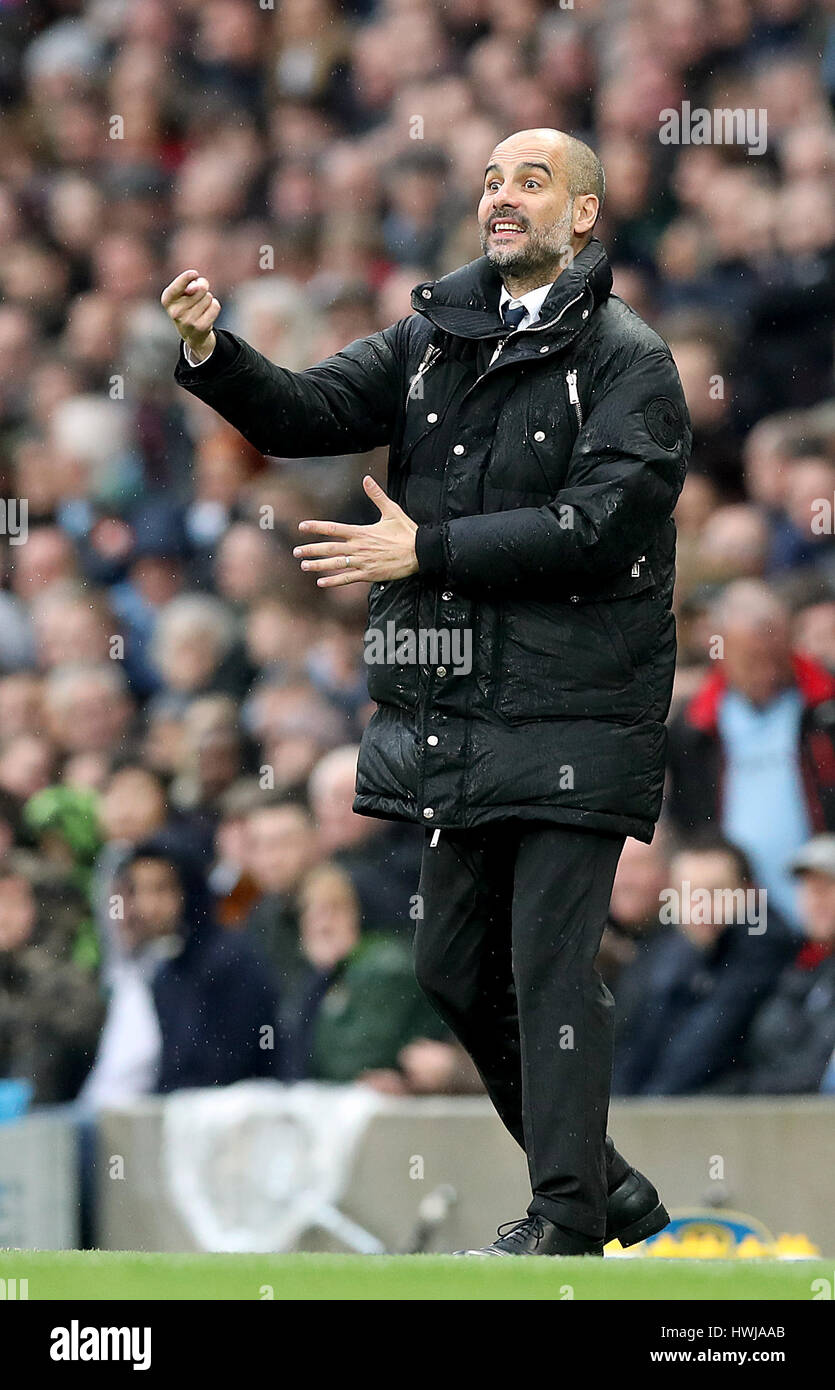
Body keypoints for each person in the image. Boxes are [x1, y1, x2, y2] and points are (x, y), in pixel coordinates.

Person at [164, 128, 691, 1257]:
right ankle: (607, 1189)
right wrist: (215, 352)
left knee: (550, 969)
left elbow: (600, 524)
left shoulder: (629, 359)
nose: (502, 196)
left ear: (584, 215)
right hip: (456, 714)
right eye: (491, 179)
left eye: (532, 182)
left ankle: (565, 1217)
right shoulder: (430, 333)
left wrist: (428, 549)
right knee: (451, 968)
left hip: (580, 713)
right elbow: (305, 412)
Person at [612, 840, 795, 1096]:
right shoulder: (676, 952)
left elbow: (704, 1045)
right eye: (688, 894)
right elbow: (638, 1046)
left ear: (750, 893)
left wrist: (646, 1107)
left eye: (716, 893)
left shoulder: (762, 942)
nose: (701, 908)